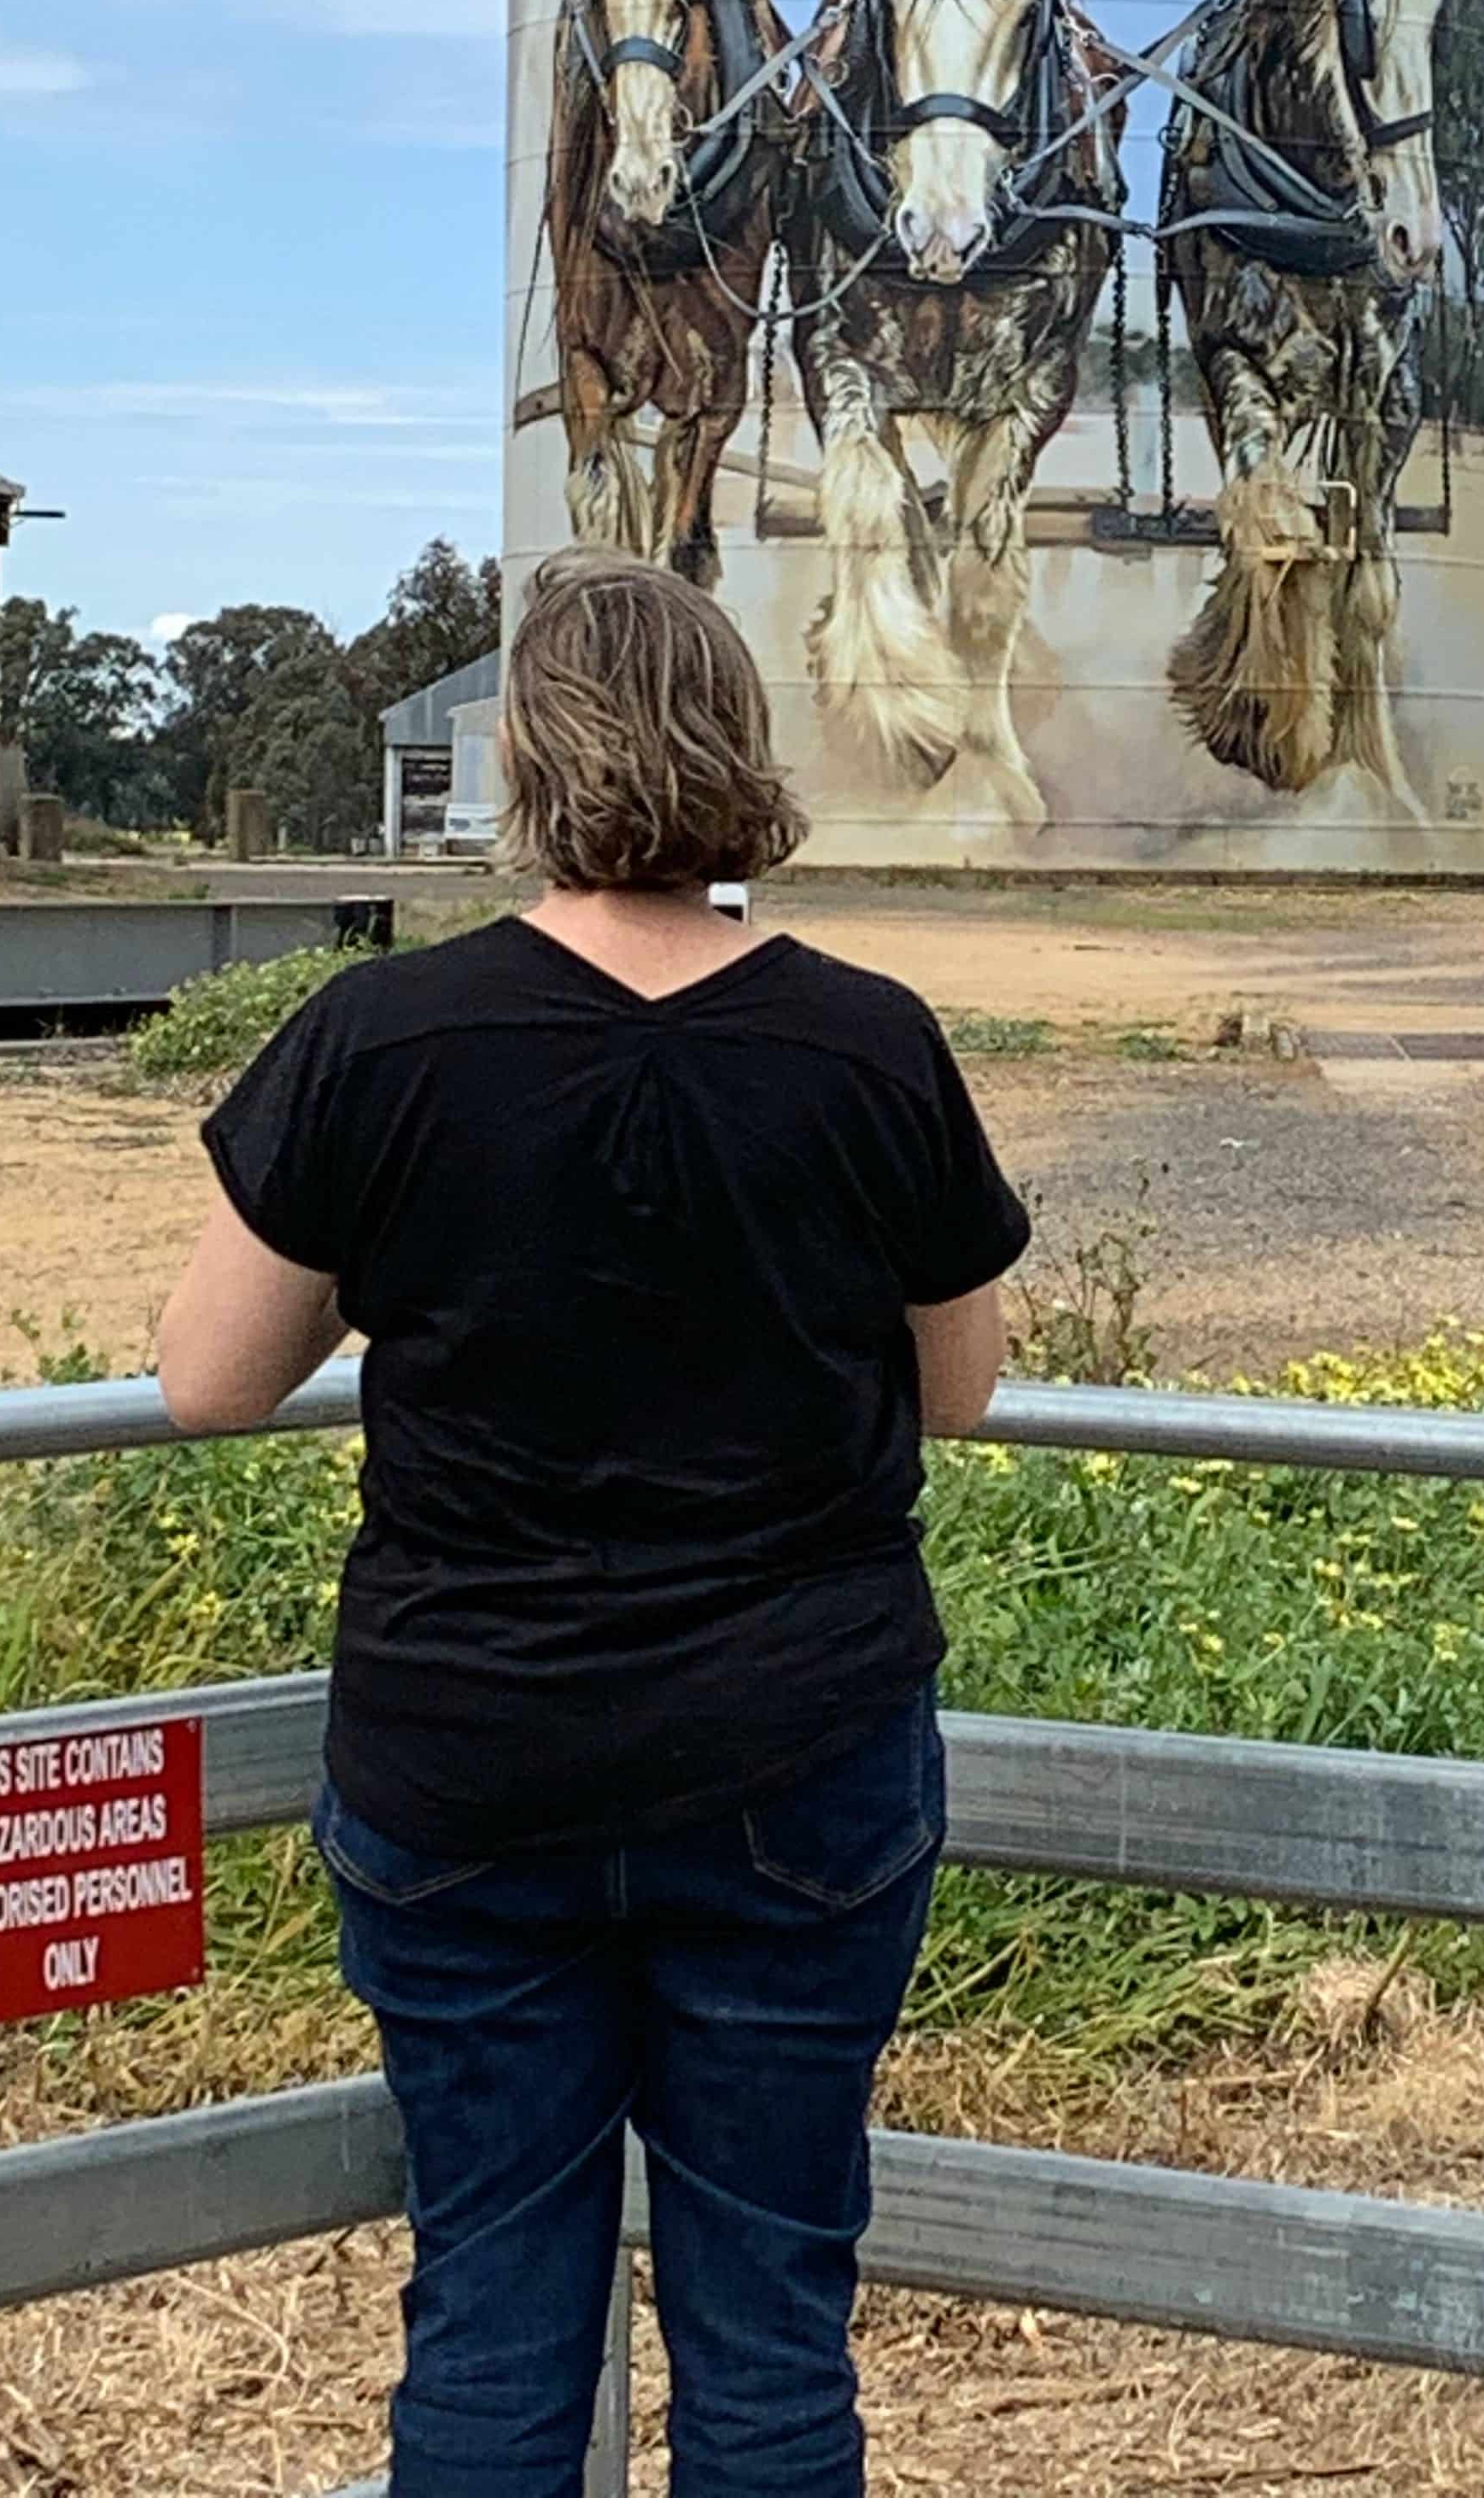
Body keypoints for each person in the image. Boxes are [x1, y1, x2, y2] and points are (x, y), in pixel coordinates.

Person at [156, 547, 1027, 2498]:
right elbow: (958, 1389)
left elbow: (208, 1377)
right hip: (800, 1768)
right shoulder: (868, 1043)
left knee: (490, 2312)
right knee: (773, 2337)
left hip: (469, 1768)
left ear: (526, 767)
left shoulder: (382, 1038)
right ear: (739, 750)